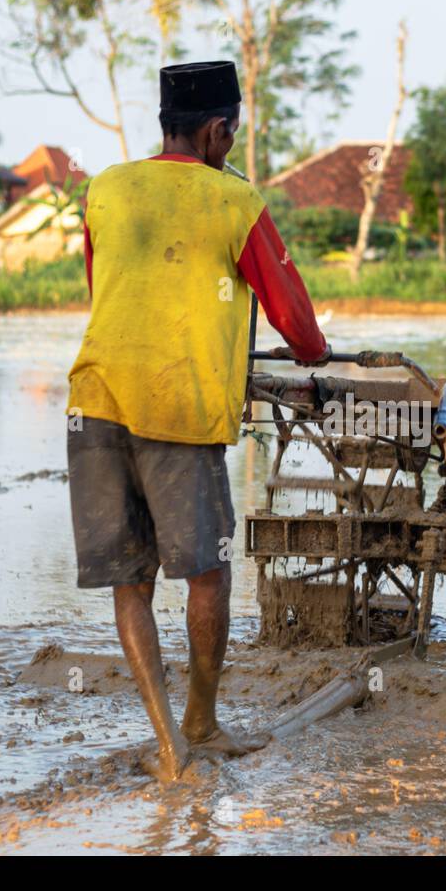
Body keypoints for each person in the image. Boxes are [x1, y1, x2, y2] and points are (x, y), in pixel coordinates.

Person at [66, 60, 330, 781]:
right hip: (178, 409)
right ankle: (201, 724)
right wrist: (314, 351)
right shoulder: (232, 200)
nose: (232, 144)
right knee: (208, 575)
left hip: (94, 402)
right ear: (218, 129)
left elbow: (103, 287)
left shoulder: (105, 190)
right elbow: (292, 314)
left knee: (132, 580)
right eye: (232, 132)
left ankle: (167, 744)